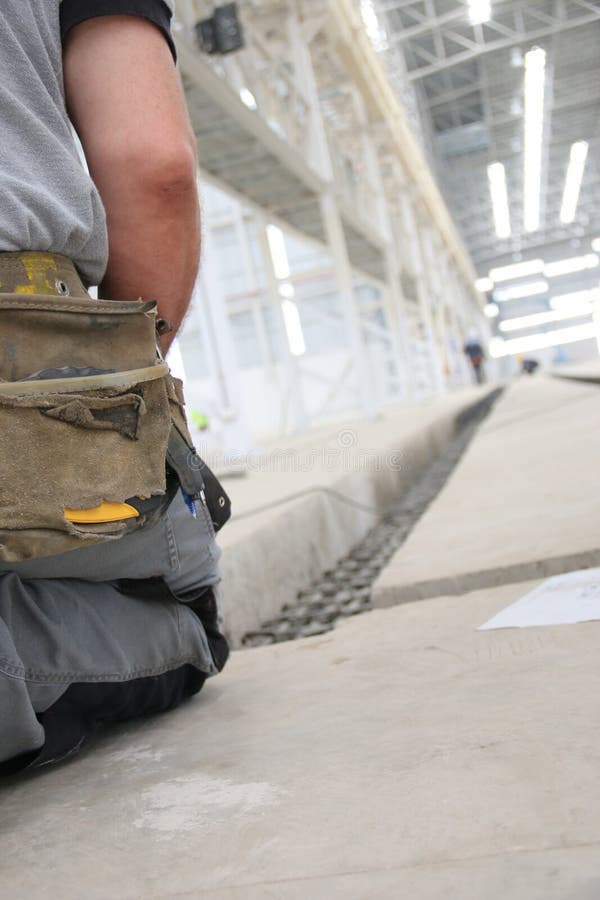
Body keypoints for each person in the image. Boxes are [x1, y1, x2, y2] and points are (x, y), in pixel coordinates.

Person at [0, 1, 229, 774]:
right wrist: (127, 382)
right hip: (30, 347)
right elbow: (152, 164)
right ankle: (181, 613)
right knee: (172, 564)